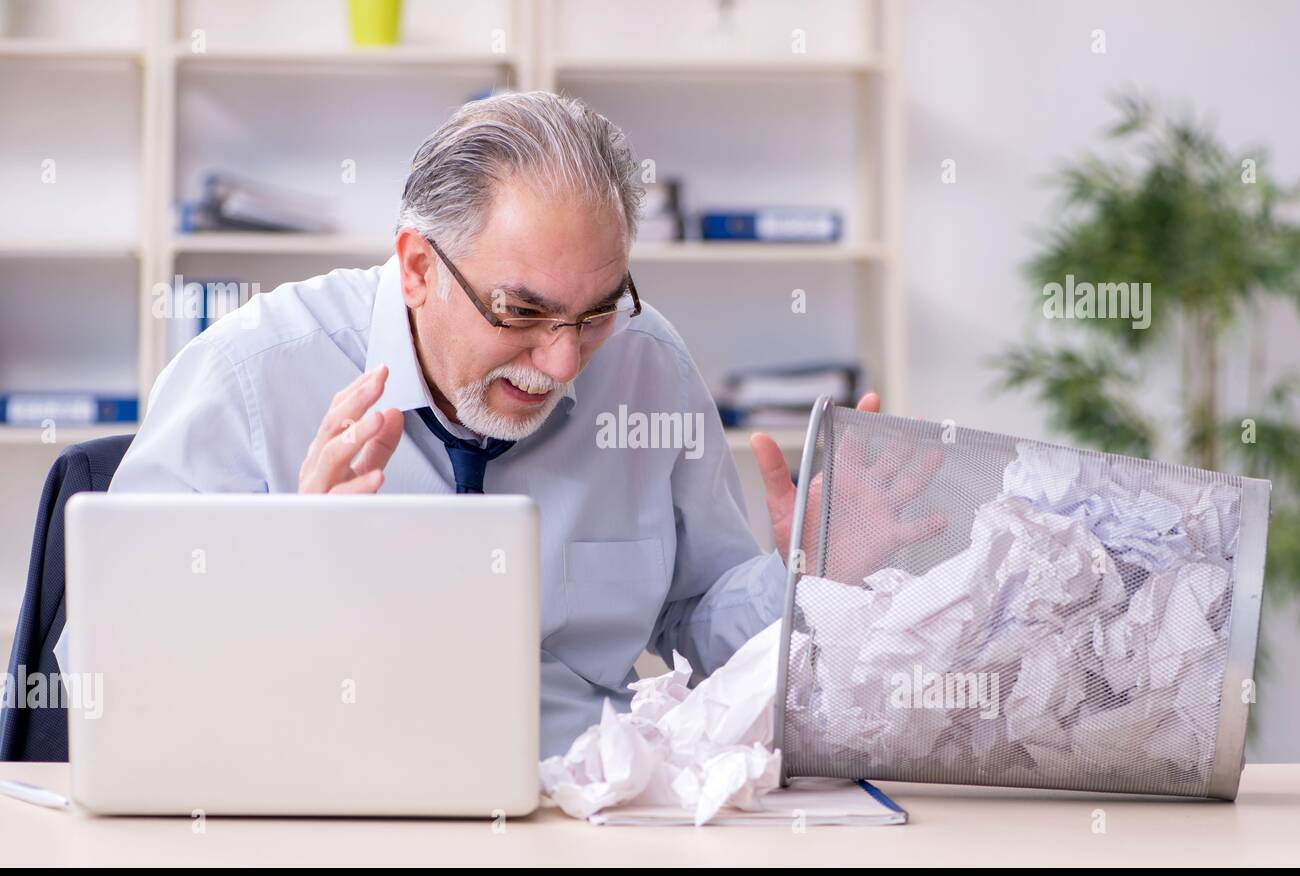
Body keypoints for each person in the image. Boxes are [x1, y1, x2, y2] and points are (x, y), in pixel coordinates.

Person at [100, 91, 916, 758]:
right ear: (419, 268)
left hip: (586, 805)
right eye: (520, 311)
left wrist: (803, 577)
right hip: (327, 803)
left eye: (595, 312)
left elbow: (700, 622)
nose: (563, 364)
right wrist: (291, 565)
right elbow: (117, 676)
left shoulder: (645, 367)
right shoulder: (251, 376)